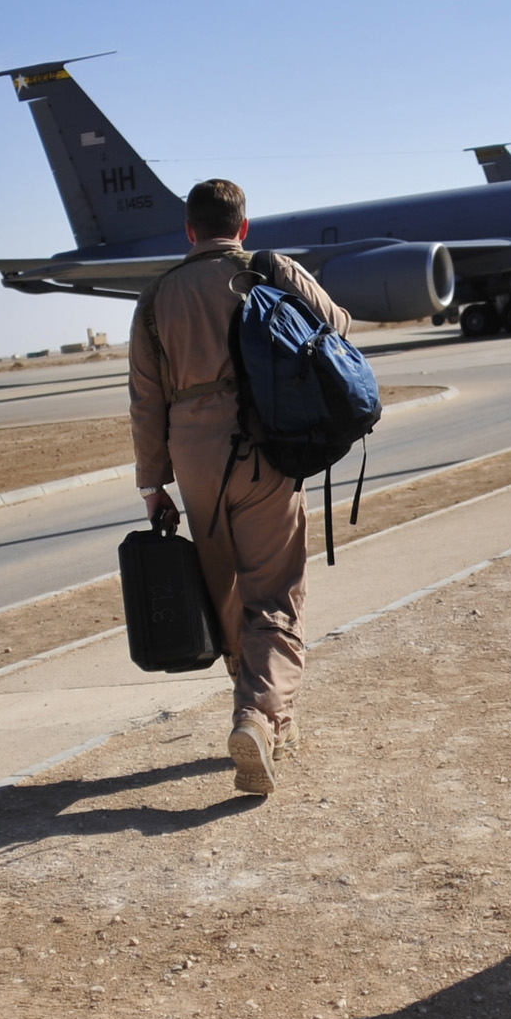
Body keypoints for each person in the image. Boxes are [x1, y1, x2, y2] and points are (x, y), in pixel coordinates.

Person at [129, 180, 351, 796]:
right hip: (265, 448)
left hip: (193, 458)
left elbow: (144, 400)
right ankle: (256, 716)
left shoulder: (153, 299)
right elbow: (336, 325)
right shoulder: (267, 270)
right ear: (243, 227)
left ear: (190, 231)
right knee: (275, 594)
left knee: (226, 596)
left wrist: (152, 484)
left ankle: (274, 720)